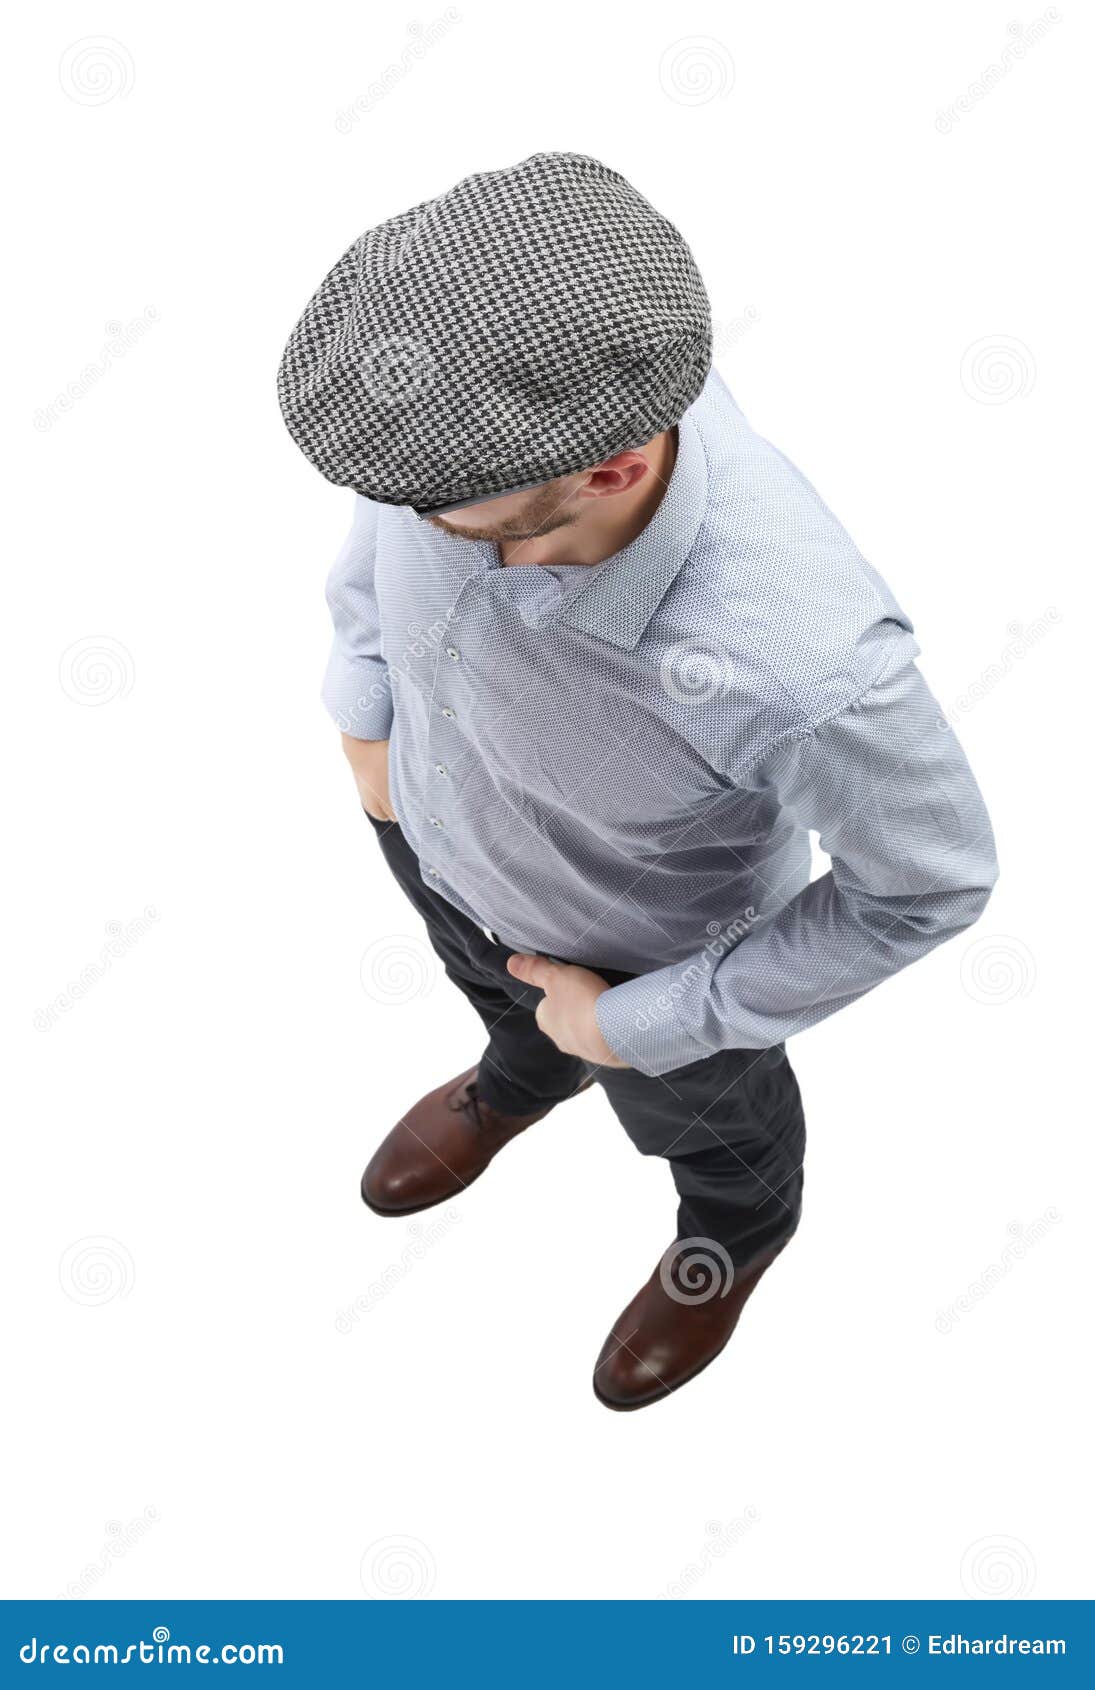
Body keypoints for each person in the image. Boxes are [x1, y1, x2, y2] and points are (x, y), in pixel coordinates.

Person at [278, 152, 998, 1410]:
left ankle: (736, 1233)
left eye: (437, 505)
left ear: (610, 472)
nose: (401, 511)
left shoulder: (801, 661)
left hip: (649, 961)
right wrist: (367, 719)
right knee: (503, 1004)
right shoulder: (465, 443)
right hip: (441, 838)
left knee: (717, 1133)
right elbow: (385, 522)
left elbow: (928, 886)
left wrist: (633, 1025)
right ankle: (525, 1074)